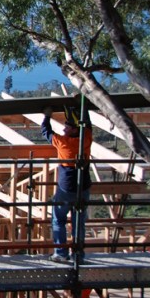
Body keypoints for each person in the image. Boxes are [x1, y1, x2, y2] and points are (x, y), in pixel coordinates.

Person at [41, 106, 93, 263]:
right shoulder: (87, 138)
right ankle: (78, 256)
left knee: (58, 219)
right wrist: (82, 109)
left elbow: (46, 131)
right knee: (79, 222)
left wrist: (47, 116)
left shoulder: (62, 142)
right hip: (83, 186)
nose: (64, 129)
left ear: (74, 129)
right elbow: (89, 126)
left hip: (66, 187)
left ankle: (61, 253)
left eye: (67, 127)